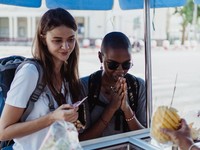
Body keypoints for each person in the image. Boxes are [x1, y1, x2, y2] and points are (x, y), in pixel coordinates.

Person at [0, 8, 82, 150]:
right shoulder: (30, 73)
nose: (66, 47)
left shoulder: (66, 74)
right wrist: (52, 118)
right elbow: (3, 132)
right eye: (57, 40)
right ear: (43, 39)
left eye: (71, 39)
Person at [79, 31, 146, 141]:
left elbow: (144, 135)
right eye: (112, 65)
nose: (120, 71)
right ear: (101, 57)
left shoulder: (138, 86)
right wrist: (112, 107)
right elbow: (82, 140)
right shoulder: (85, 87)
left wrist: (126, 109)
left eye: (126, 64)